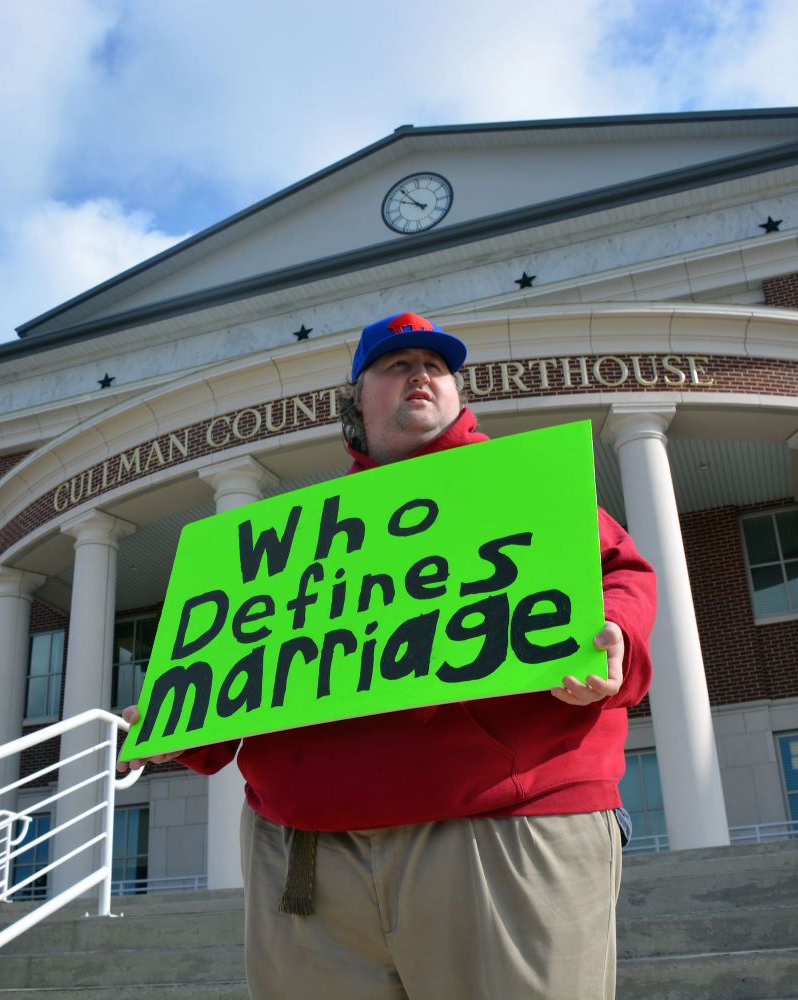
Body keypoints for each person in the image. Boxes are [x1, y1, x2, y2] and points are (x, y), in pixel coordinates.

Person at [121, 311, 657, 999]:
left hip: (501, 827)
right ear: (355, 400)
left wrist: (617, 632)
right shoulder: (294, 540)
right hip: (303, 848)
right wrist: (179, 720)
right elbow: (257, 659)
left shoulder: (525, 485)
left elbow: (622, 577)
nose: (422, 374)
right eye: (397, 364)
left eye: (436, 366)